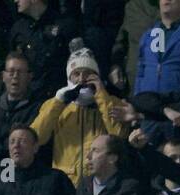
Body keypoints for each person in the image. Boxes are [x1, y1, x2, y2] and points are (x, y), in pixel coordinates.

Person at [31, 47, 128, 185]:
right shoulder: (55, 105)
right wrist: (59, 102)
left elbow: (119, 137)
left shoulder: (112, 102)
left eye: (88, 73)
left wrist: (101, 95)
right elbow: (36, 138)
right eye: (76, 74)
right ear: (69, 77)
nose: (82, 79)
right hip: (65, 183)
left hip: (101, 182)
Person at [9, 0, 81, 99]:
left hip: (58, 98)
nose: (15, 0)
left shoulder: (65, 26)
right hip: (28, 99)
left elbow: (78, 64)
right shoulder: (18, 29)